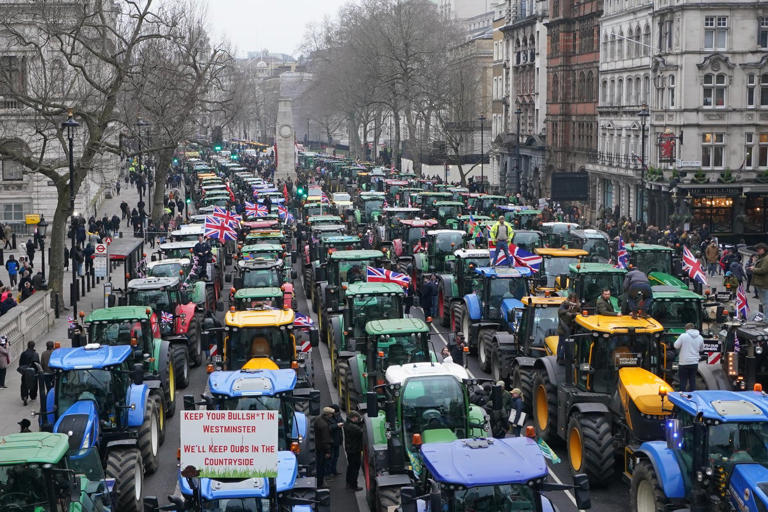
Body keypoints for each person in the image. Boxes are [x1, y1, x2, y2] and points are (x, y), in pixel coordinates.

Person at [674, 322, 704, 392]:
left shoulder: (683, 336)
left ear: (686, 329)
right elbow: (702, 349)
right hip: (694, 363)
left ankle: (682, 397)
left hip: (684, 363)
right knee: (692, 380)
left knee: (683, 381)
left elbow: (676, 346)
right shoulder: (700, 337)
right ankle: (692, 397)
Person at [343, 411, 364, 491]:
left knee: (350, 467)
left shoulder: (347, 424)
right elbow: (361, 431)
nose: (357, 419)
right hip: (354, 450)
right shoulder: (352, 427)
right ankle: (353, 486)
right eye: (357, 418)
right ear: (353, 417)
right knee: (355, 468)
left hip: (350, 449)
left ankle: (349, 483)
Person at [314, 407, 334, 487]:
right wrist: (328, 451)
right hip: (322, 448)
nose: (332, 416)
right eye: (331, 414)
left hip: (318, 446)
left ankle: (320, 482)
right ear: (328, 414)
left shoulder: (318, 420)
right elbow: (326, 439)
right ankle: (320, 483)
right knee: (321, 466)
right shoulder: (324, 425)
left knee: (319, 465)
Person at [557, 293, 579, 363]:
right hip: (563, 328)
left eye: (574, 299)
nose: (573, 300)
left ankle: (567, 358)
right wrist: (570, 311)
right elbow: (561, 312)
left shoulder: (576, 306)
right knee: (563, 343)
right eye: (572, 299)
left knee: (567, 344)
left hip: (571, 328)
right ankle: (560, 358)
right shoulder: (564, 305)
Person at [18, 341, 39, 406]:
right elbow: (37, 364)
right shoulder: (35, 354)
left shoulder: (23, 354)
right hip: (33, 372)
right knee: (34, 384)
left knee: (24, 385)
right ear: (33, 346)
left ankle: (24, 396)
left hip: (25, 371)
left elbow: (20, 363)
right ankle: (33, 396)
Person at [327, 404, 344, 478]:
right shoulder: (328, 418)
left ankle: (334, 471)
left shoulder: (337, 416)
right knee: (331, 457)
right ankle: (329, 472)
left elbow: (342, 421)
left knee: (336, 456)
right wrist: (337, 425)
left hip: (337, 440)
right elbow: (328, 428)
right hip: (331, 441)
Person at [751, 243, 768, 313]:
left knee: (765, 303)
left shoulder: (766, 259)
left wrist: (753, 269)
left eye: (758, 249)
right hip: (761, 283)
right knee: (764, 302)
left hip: (763, 284)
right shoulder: (762, 257)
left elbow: (763, 270)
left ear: (763, 249)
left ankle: (766, 320)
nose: (757, 251)